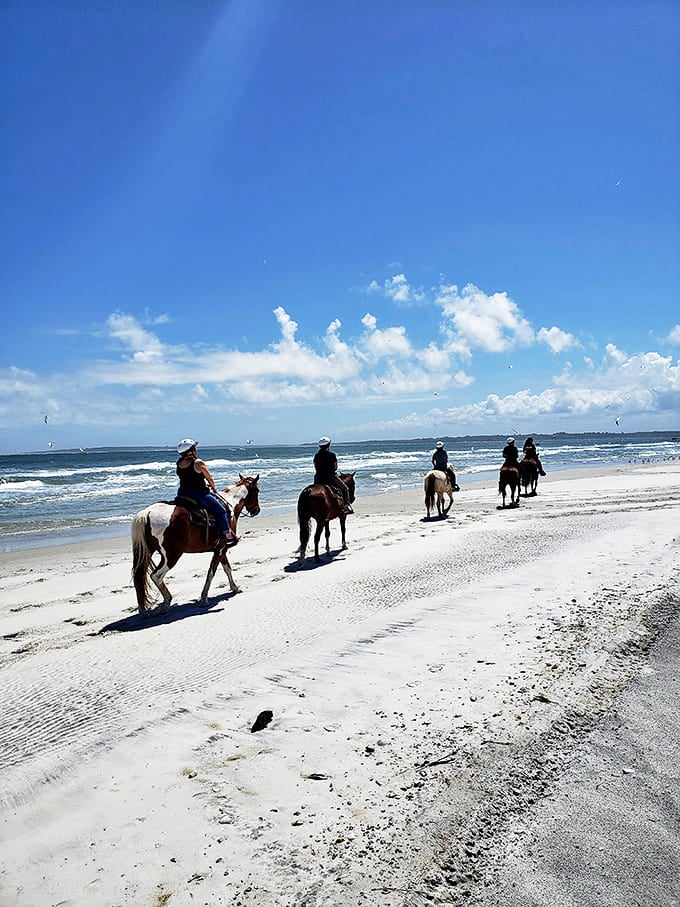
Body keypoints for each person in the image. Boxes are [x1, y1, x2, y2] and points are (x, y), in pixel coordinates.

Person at [175, 439, 238, 546]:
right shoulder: (198, 462)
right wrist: (213, 488)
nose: (196, 450)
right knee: (221, 511)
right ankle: (228, 535)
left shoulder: (179, 462)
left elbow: (187, 477)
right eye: (194, 448)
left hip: (183, 492)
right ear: (191, 450)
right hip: (199, 494)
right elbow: (209, 477)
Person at [313, 437, 353, 513]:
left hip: (318, 477)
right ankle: (346, 506)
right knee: (345, 489)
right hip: (330, 476)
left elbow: (315, 466)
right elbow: (335, 467)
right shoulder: (332, 455)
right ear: (328, 445)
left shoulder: (316, 455)